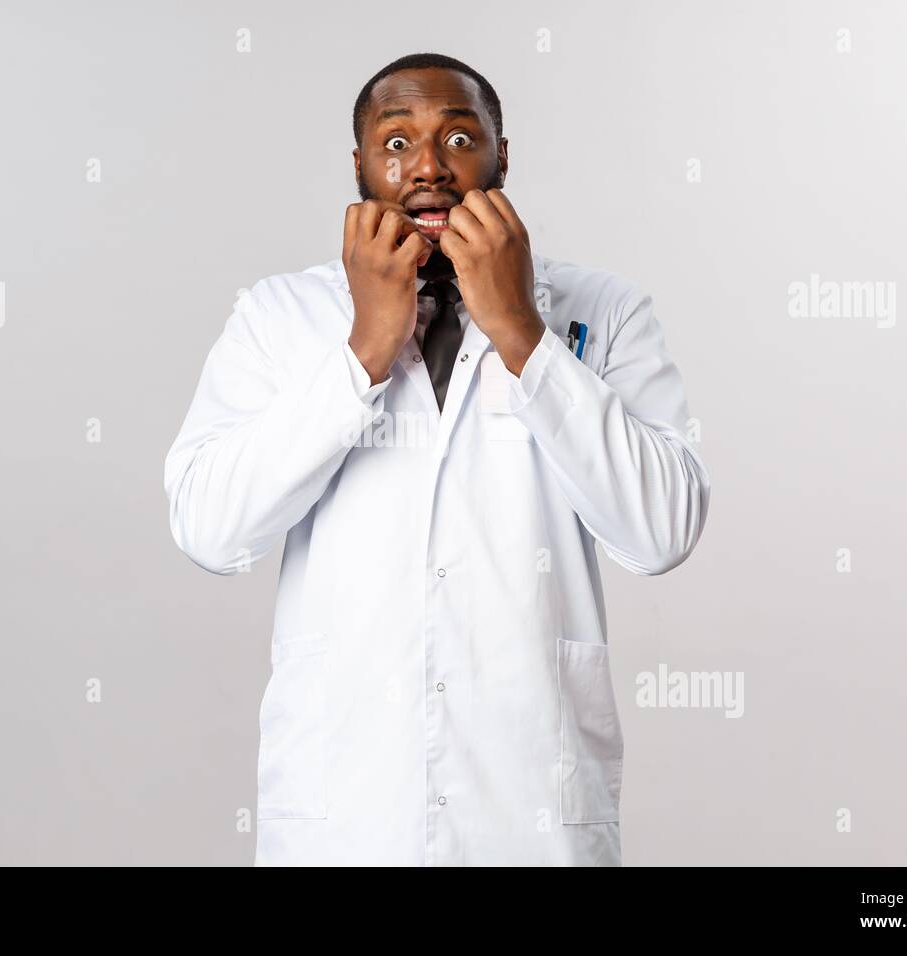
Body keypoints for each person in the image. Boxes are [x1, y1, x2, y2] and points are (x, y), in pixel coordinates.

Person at [164, 52, 711, 866]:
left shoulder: (604, 310)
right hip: (348, 810)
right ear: (358, 167)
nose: (426, 166)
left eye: (458, 137)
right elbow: (210, 531)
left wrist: (522, 331)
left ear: (501, 157)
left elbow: (662, 532)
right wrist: (362, 350)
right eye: (395, 142)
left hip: (531, 811)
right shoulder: (280, 316)